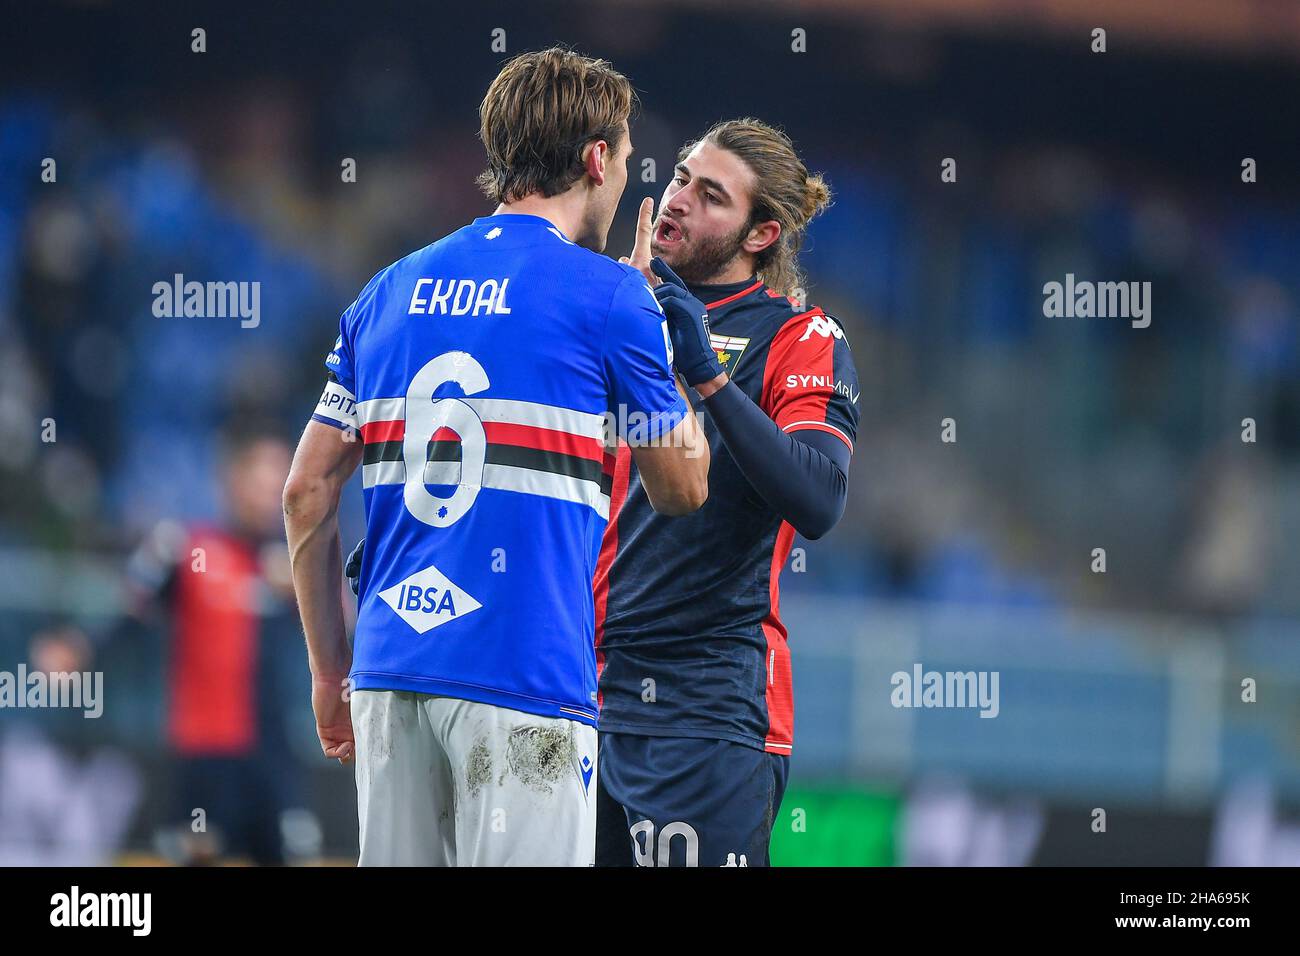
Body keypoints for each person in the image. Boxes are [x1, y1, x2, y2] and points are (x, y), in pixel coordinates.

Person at [283, 47, 711, 867]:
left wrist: (328, 670)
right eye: (624, 161)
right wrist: (669, 348)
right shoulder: (612, 296)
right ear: (596, 158)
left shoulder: (388, 289)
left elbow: (305, 491)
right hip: (525, 682)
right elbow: (684, 485)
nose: (624, 183)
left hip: (389, 670)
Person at [594, 118, 860, 866]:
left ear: (761, 233)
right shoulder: (614, 313)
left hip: (705, 709)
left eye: (711, 195)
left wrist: (705, 372)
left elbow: (818, 499)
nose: (677, 200)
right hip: (579, 692)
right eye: (680, 177)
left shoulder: (801, 337)